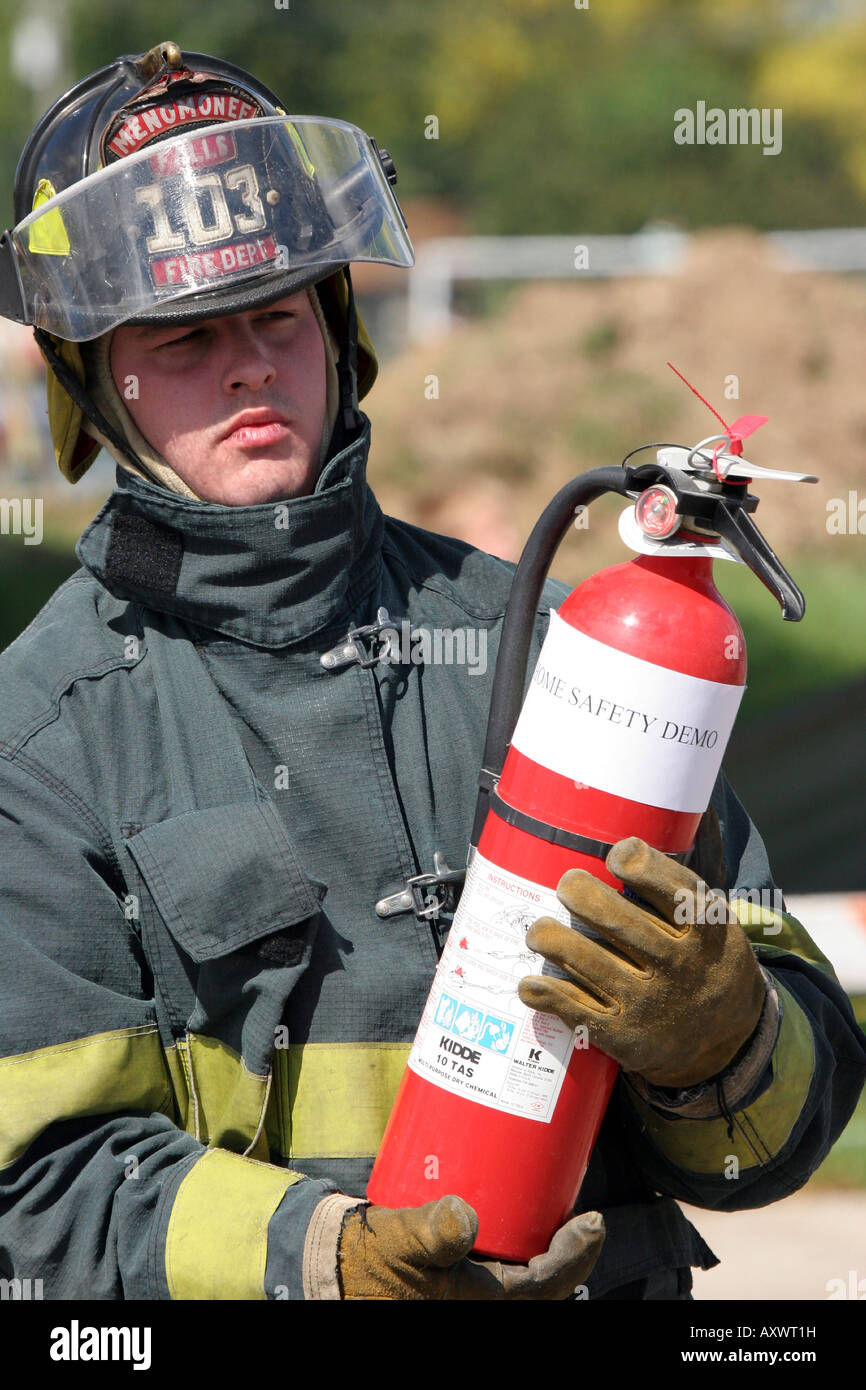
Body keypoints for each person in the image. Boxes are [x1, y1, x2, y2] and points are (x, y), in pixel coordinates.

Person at [0, 41, 862, 1302]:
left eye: (278, 314)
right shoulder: (44, 742)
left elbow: (785, 1124)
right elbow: (39, 1194)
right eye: (183, 339)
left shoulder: (573, 660)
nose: (247, 364)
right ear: (93, 388)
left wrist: (720, 1044)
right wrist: (324, 1260)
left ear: (338, 330)